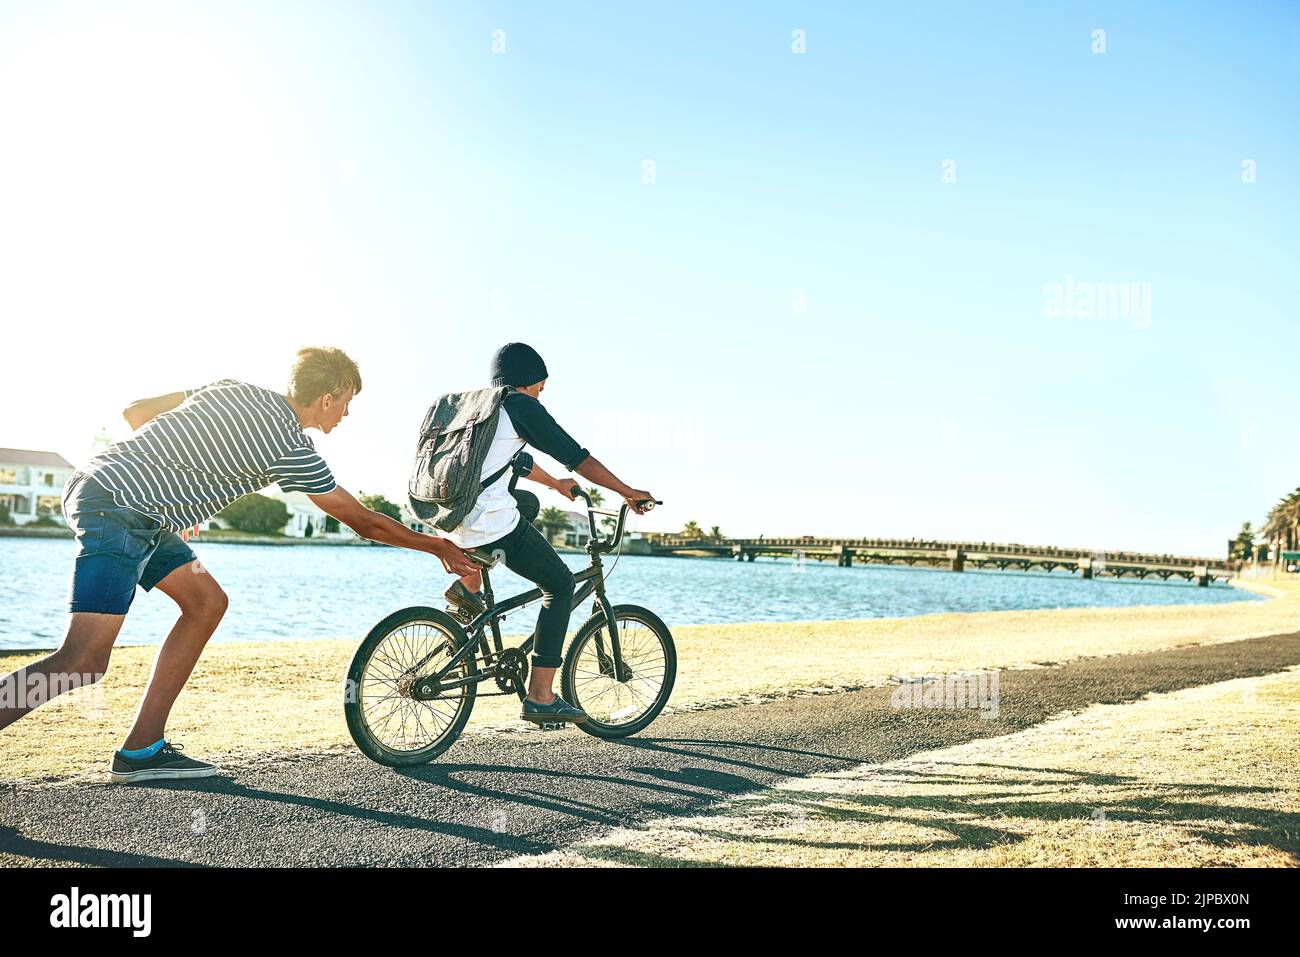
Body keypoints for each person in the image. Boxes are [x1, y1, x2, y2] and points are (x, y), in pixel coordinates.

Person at [0, 347, 477, 783]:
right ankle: (137, 749)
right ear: (328, 397)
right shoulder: (291, 448)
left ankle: (143, 749)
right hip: (122, 509)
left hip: (111, 494)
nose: (347, 413)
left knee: (207, 601)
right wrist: (436, 547)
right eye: (347, 401)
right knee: (82, 660)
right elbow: (362, 521)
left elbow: (136, 413)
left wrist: (169, 487)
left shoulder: (233, 389)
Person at [439, 342, 656, 725]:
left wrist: (556, 484)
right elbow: (577, 456)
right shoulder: (522, 406)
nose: (542, 390)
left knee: (528, 506)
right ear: (528, 380)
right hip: (484, 518)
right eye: (541, 384)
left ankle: (468, 584)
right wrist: (627, 492)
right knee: (558, 583)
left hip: (450, 515)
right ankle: (541, 696)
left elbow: (518, 461)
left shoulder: (485, 410)